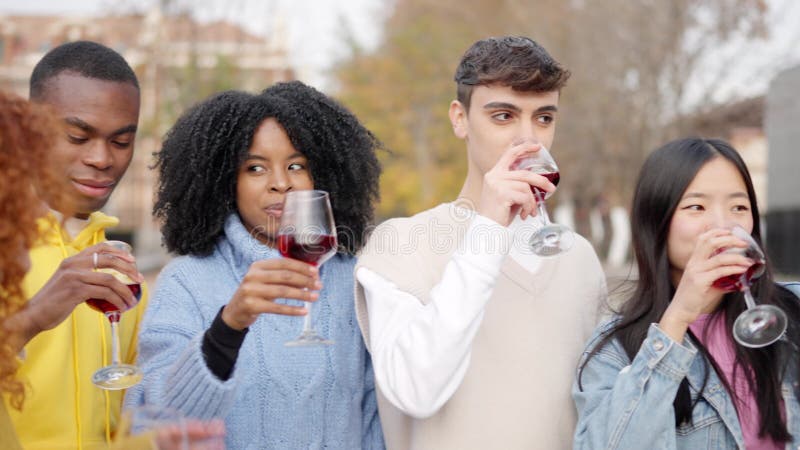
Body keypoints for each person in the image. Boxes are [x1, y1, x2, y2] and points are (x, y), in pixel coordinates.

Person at [353, 36, 608, 449]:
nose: (528, 140)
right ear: (460, 119)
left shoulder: (577, 256)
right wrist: (488, 227)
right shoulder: (399, 243)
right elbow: (416, 391)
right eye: (504, 116)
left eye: (544, 118)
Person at [125, 81, 384, 449]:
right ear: (223, 181)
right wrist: (228, 326)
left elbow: (377, 418)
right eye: (255, 168)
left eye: (296, 165)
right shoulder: (185, 282)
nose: (281, 183)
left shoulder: (354, 279)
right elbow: (157, 418)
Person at [573, 137, 800, 449]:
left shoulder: (793, 311)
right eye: (696, 207)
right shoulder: (615, 350)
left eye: (739, 207)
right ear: (657, 222)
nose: (722, 224)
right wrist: (676, 319)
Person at [3, 41, 149, 449]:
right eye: (77, 136)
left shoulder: (122, 272)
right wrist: (30, 319)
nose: (102, 158)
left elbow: (123, 424)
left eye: (121, 142)